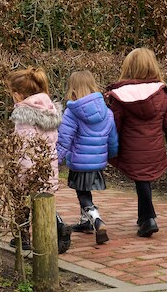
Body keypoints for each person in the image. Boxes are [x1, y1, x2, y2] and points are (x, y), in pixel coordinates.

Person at [106, 48, 167, 238]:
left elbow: (115, 124)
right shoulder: (162, 95)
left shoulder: (120, 96)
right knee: (144, 180)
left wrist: (109, 146)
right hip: (154, 148)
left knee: (141, 181)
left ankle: (149, 219)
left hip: (131, 148)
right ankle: (144, 218)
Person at [6, 67, 68, 253]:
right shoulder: (48, 110)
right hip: (48, 165)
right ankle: (58, 225)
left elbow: (25, 146)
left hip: (29, 167)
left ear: (17, 95)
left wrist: (21, 170)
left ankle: (22, 237)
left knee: (22, 201)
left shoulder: (24, 115)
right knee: (43, 201)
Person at [57, 70, 118, 245]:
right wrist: (111, 156)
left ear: (73, 89)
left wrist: (54, 160)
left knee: (83, 194)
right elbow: (112, 139)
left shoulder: (72, 112)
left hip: (79, 161)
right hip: (98, 161)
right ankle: (85, 222)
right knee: (85, 191)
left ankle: (96, 219)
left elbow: (64, 141)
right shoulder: (107, 112)